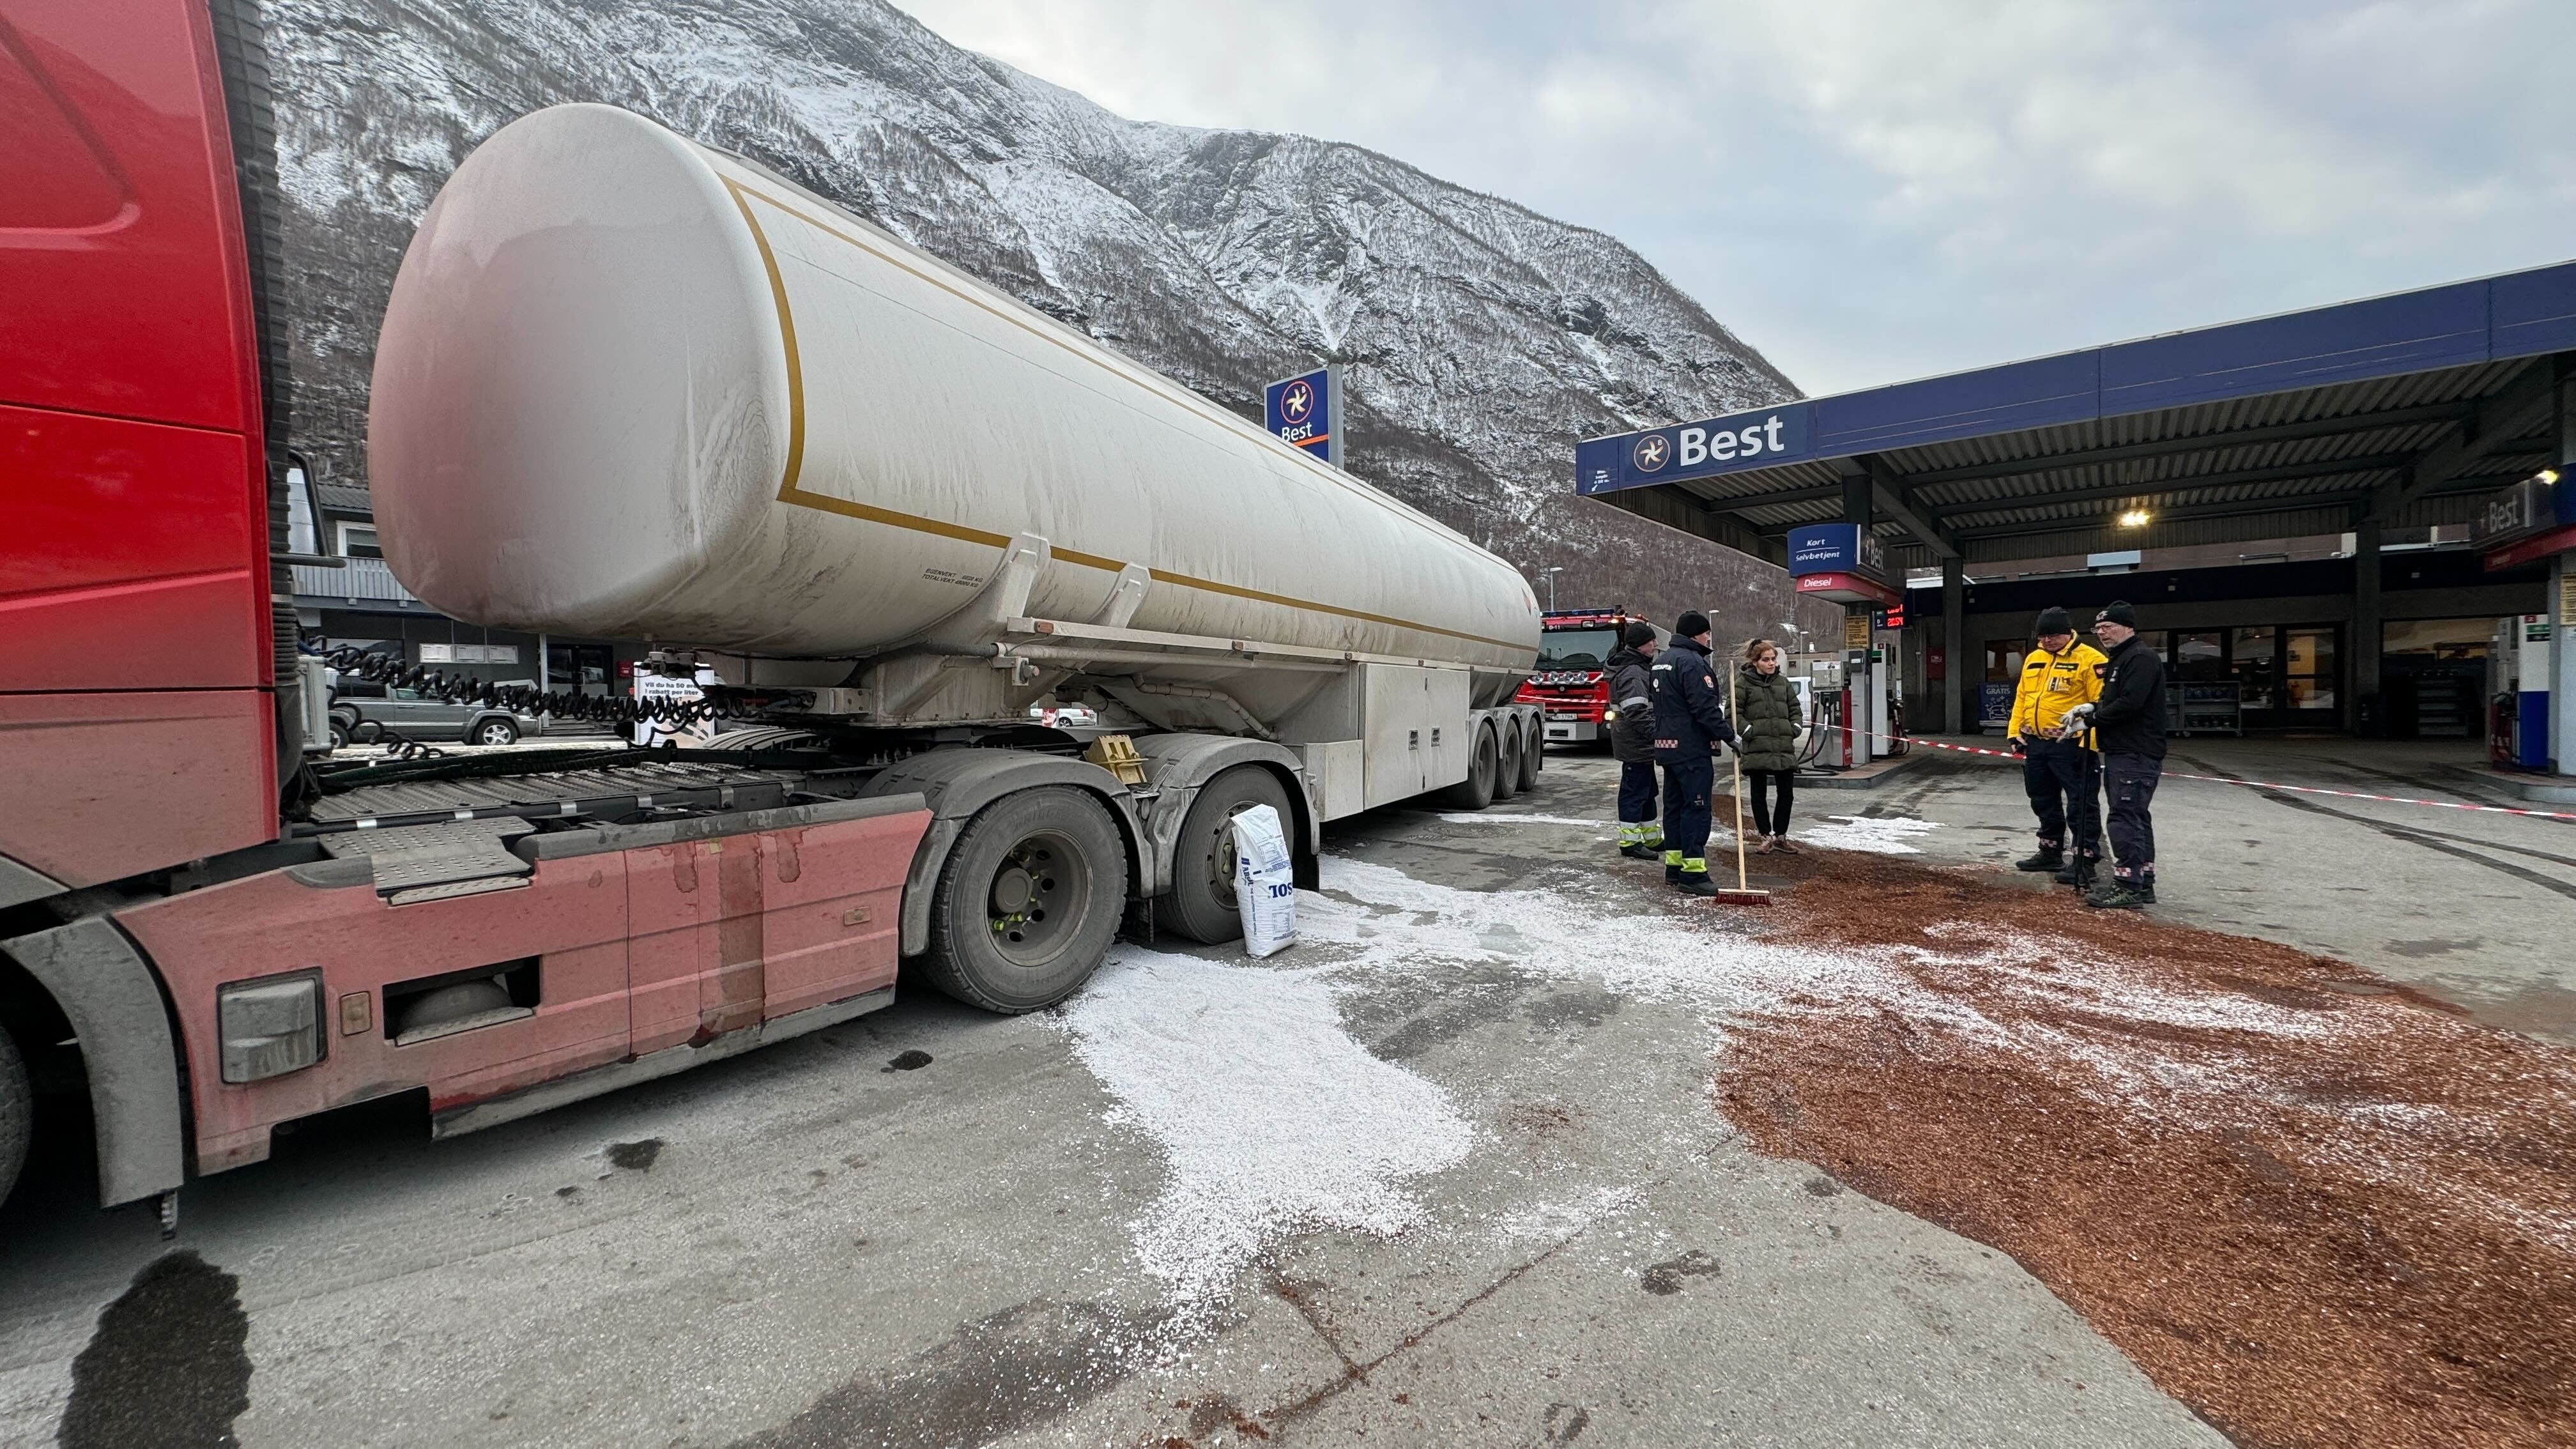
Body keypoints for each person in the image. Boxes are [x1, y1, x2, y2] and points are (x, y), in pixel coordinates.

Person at [2005, 606, 2107, 887]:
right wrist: (2014, 732)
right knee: (2042, 799)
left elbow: (2101, 705)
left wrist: (2090, 745)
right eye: (2042, 636)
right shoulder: (2034, 658)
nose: (2047, 641)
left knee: (2081, 804)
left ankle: (2085, 861)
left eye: (2052, 636)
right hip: (2036, 744)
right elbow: (2022, 697)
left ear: (2068, 633)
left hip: (2073, 745)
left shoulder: (2091, 659)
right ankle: (2050, 852)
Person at [2078, 601, 2165, 909]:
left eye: (2108, 627)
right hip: (2122, 749)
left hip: (2135, 751)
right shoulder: (2120, 658)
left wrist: (2093, 719)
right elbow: (2116, 698)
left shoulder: (2140, 658)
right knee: (2135, 815)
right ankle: (2143, 881)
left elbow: (2131, 703)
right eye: (2098, 628)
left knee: (2124, 817)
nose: (2102, 633)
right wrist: (2094, 706)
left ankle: (2128, 885)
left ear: (2128, 627)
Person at [1650, 610, 1738, 897]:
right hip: (1691, 749)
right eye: (1707, 633)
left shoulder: (1661, 662)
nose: (1709, 638)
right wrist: (1729, 736)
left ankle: (1674, 868)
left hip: (1668, 747)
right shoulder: (1693, 664)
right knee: (1696, 808)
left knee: (1674, 808)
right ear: (1696, 635)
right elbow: (1705, 709)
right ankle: (1693, 873)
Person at [1732, 638, 1803, 852]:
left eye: (1773, 659)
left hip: (1783, 747)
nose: (1771, 663)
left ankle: (1780, 836)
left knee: (1786, 794)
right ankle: (1765, 836)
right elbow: (1733, 714)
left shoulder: (1783, 683)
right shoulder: (1742, 684)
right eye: (1766, 659)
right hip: (1757, 748)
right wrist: (1748, 732)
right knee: (1758, 794)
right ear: (1755, 662)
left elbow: (1795, 708)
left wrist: (1794, 728)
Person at [1604, 622, 1664, 861]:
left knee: (1647, 791)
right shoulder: (1634, 672)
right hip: (1636, 743)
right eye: (1651, 641)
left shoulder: (1635, 668)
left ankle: (1651, 838)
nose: (1655, 645)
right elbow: (1637, 712)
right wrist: (1658, 735)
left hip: (1637, 744)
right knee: (1635, 793)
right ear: (1641, 646)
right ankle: (1630, 843)